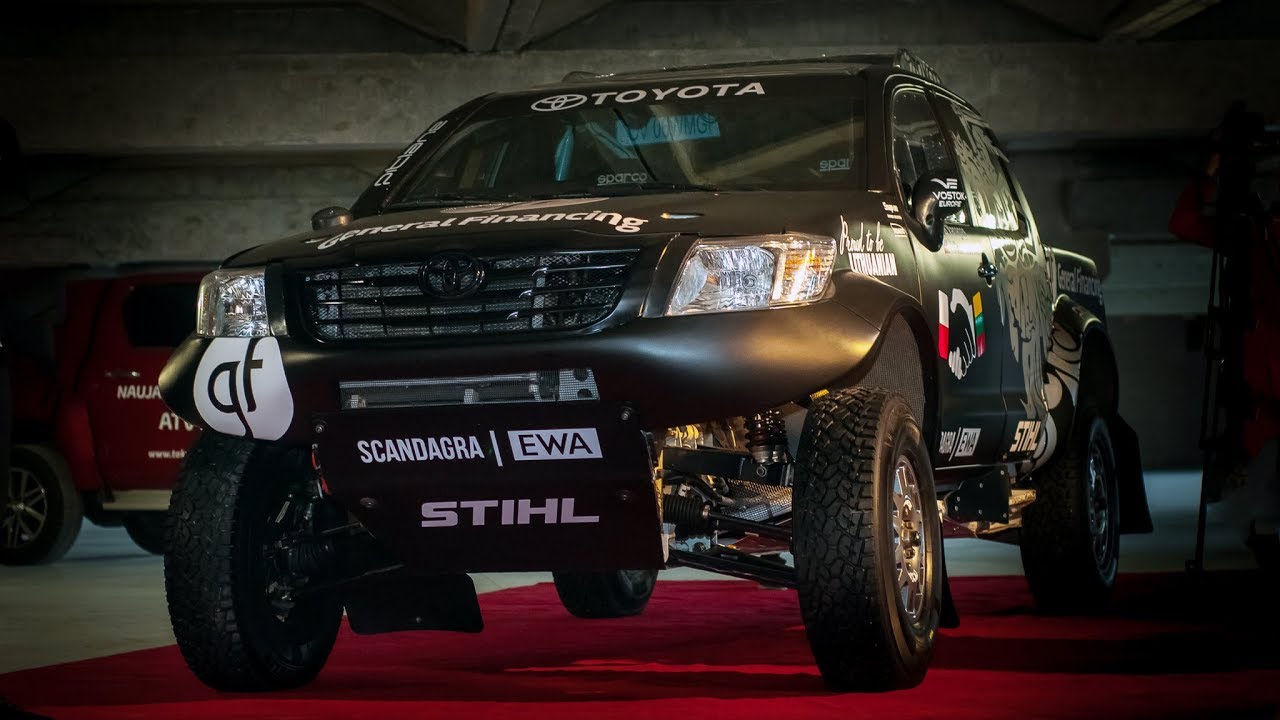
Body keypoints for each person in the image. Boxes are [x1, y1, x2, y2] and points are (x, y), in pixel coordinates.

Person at [1169, 104, 1280, 569]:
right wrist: (1210, 172)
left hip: (1264, 378)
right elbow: (1185, 223)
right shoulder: (1254, 232)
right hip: (1260, 383)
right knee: (1256, 469)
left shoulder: (1261, 231)